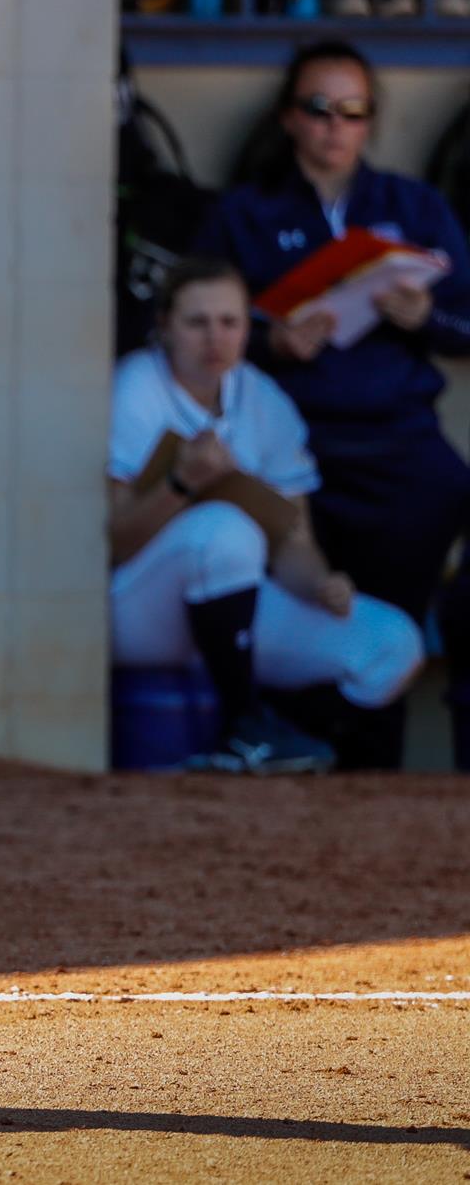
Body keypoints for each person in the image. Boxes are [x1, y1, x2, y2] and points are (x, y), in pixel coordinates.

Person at [194, 40, 470, 771]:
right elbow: (193, 327)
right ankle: (282, 758)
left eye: (353, 111)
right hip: (295, 444)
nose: (334, 125)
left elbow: (466, 324)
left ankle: (374, 787)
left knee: (398, 609)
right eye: (318, 108)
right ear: (289, 116)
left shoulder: (414, 207)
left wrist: (426, 318)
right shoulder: (245, 213)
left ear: (371, 121)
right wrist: (269, 338)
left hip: (397, 447)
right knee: (288, 608)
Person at [109, 257, 423, 774]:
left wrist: (321, 583)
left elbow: (291, 537)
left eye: (230, 322)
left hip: (235, 606)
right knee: (225, 532)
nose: (215, 337)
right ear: (163, 325)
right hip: (138, 609)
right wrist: (181, 483)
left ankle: (276, 730)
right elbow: (116, 542)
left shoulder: (262, 398)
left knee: (390, 643)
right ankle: (242, 725)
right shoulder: (137, 386)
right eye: (196, 322)